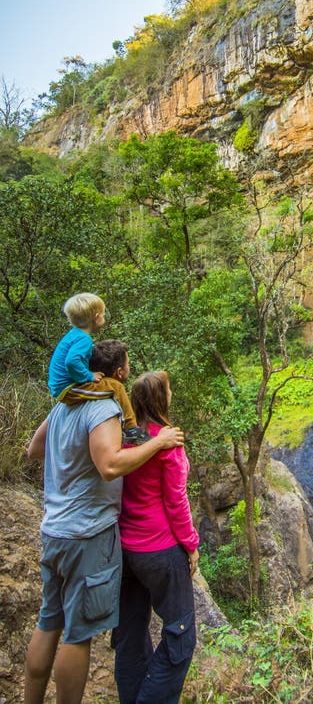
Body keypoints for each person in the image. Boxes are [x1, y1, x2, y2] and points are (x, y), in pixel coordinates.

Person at [24, 340, 185, 704]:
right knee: (77, 635)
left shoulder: (65, 403)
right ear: (120, 373)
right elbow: (110, 466)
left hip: (54, 530)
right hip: (87, 535)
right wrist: (157, 444)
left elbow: (34, 450)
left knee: (49, 621)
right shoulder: (104, 407)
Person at [113, 370, 200, 704]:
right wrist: (191, 545)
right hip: (160, 550)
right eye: (169, 389)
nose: (172, 393)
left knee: (130, 635)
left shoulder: (125, 440)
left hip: (125, 549)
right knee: (181, 636)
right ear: (162, 398)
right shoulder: (168, 443)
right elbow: (176, 501)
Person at [47, 292, 139, 436]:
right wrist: (88, 376)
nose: (104, 316)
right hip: (69, 388)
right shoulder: (84, 339)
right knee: (116, 387)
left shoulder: (74, 335)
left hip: (63, 386)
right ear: (96, 318)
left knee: (108, 384)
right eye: (103, 314)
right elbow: (71, 362)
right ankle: (131, 428)